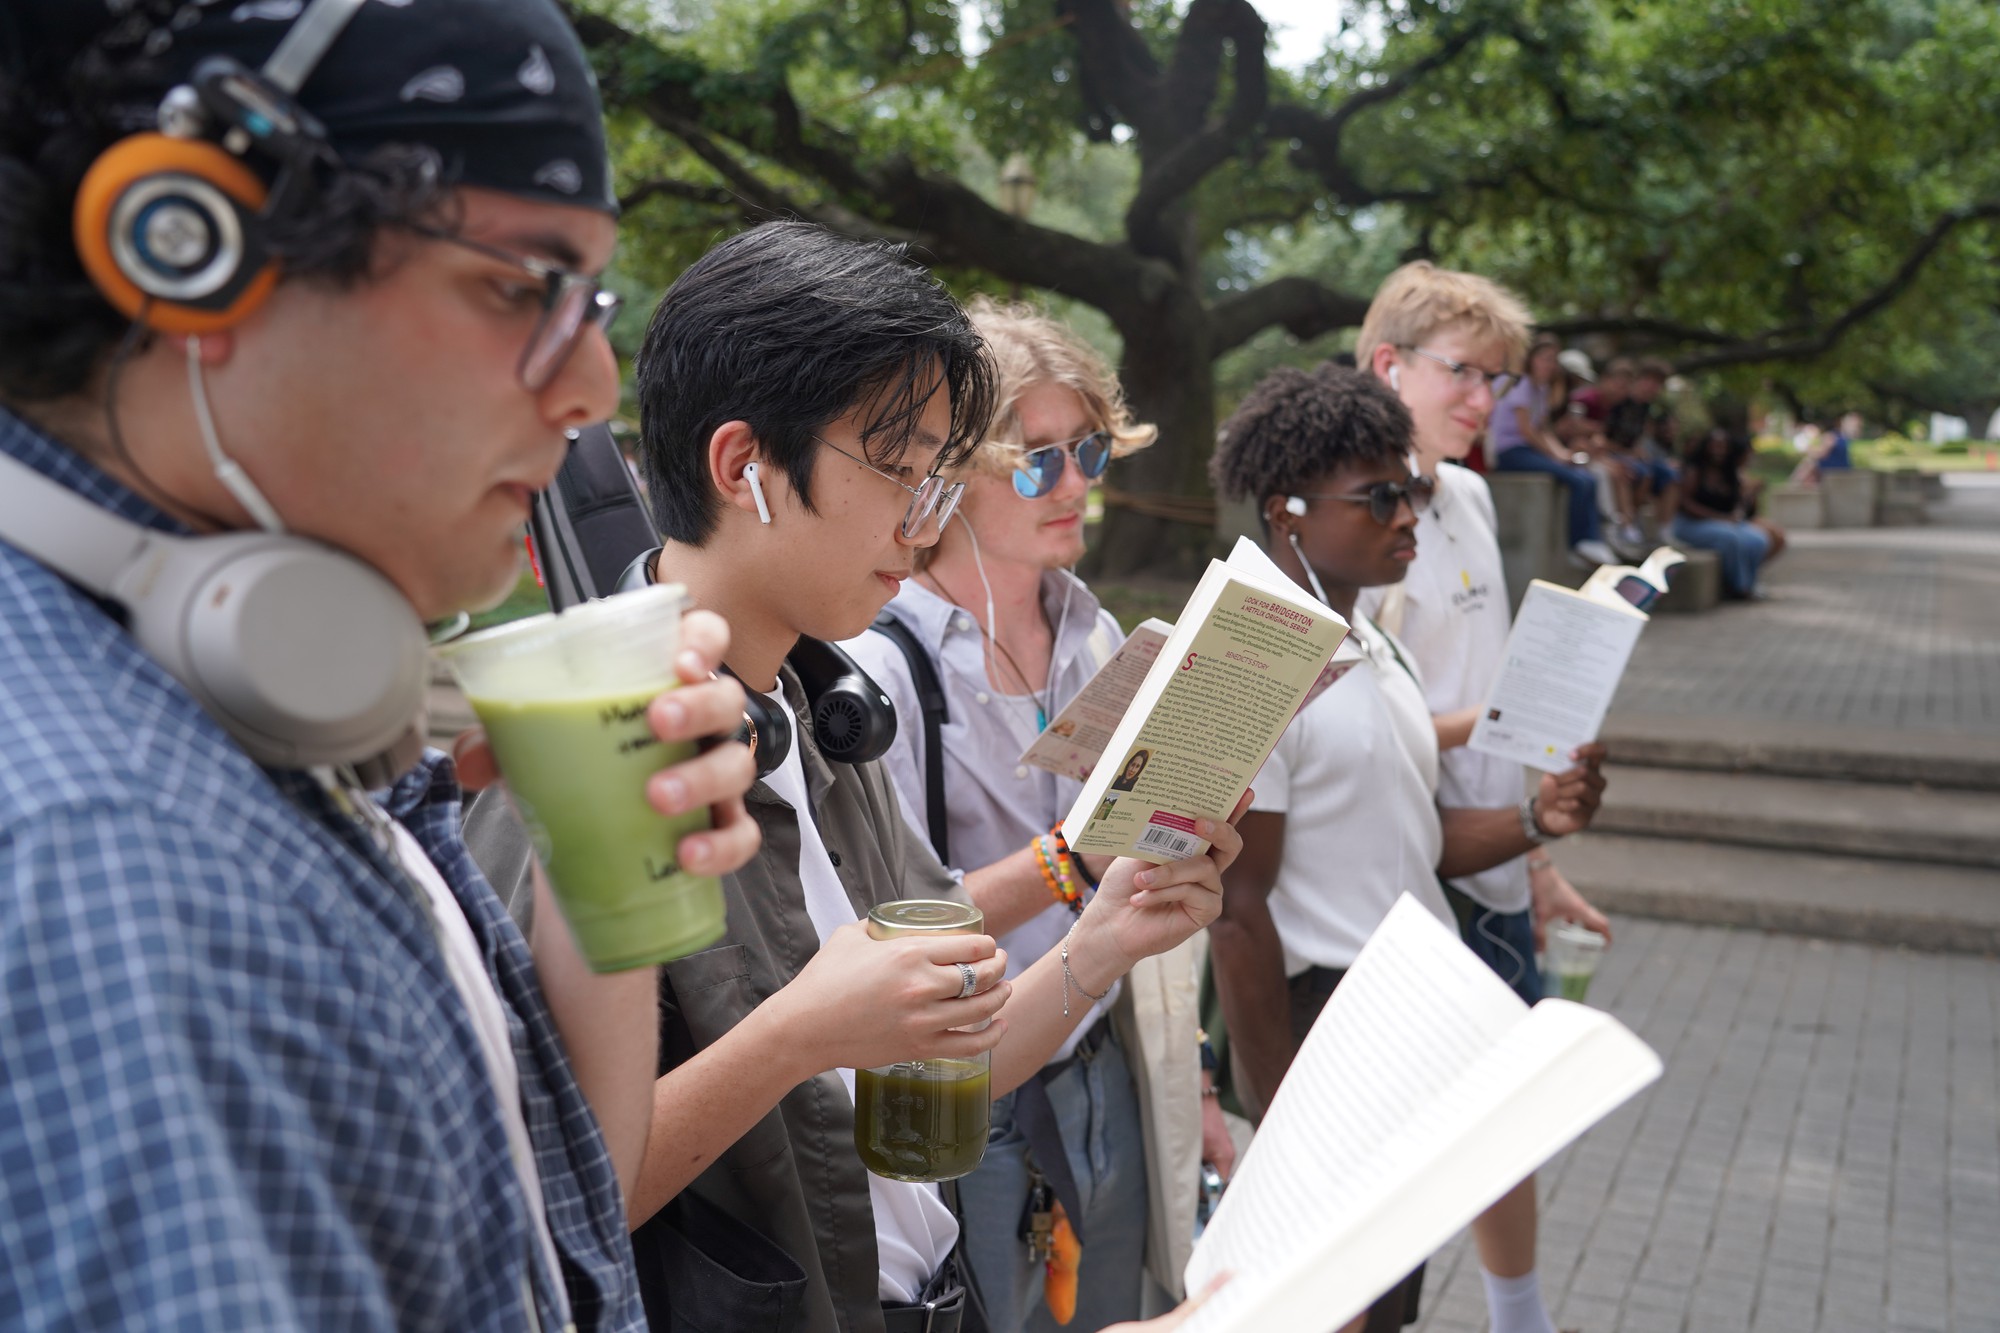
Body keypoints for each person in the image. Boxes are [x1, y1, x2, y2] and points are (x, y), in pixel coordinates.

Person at [0, 2, 765, 1327]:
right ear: (183, 248)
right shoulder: (116, 852)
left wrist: (608, 885)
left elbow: (521, 1240)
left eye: (594, 302)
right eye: (523, 287)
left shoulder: (249, 717)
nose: (592, 384)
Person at [493, 220, 1244, 1333]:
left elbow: (949, 1059)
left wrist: (1098, 945)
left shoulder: (823, 715)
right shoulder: (582, 754)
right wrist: (797, 1033)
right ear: (742, 466)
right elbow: (545, 1219)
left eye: (939, 475)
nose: (920, 519)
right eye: (896, 469)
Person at [1204, 362, 1607, 1333]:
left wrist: (1530, 825)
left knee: (1382, 1309)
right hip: (1324, 1021)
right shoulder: (1252, 657)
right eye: (1378, 495)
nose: (1407, 515)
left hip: (1409, 1003)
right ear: (1285, 511)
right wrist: (1281, 1123)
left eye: (1412, 489)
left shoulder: (1370, 642)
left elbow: (1409, 845)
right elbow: (1236, 910)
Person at [842, 300, 1218, 1333]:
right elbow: (887, 934)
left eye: (1089, 449)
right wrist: (1066, 861)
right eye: (1035, 460)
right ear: (950, 473)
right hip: (972, 1083)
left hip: (1104, 1062)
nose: (1077, 484)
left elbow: (1120, 872)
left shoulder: (1091, 629)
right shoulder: (883, 663)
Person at [1352, 264, 1615, 1333]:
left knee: (1502, 1115)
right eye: (1461, 374)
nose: (1483, 403)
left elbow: (1479, 696)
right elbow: (1366, 726)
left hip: (1496, 857)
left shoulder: (1461, 494)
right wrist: (1502, 742)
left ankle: (1519, 1314)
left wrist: (1536, 858)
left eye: (1496, 381)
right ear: (1386, 365)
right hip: (1407, 871)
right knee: (1401, 1144)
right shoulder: (1346, 515)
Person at [1486, 333, 1616, 565]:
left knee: (1587, 478)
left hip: (1527, 450)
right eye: (1545, 358)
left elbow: (1543, 430)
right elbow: (1527, 431)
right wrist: (1557, 455)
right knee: (1577, 480)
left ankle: (1593, 540)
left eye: (1553, 359)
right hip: (1510, 451)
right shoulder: (1522, 384)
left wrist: (1562, 454)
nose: (1549, 364)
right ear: (1532, 359)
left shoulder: (1541, 389)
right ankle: (1579, 543)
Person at [1675, 428, 1785, 599]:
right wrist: (1719, 518)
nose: (1718, 451)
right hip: (1692, 523)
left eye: (1723, 446)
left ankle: (1751, 581)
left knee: (1758, 539)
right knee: (1730, 538)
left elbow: (1740, 507)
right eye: (1714, 446)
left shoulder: (1730, 473)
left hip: (1726, 522)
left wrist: (1747, 498)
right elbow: (1685, 504)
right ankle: (1740, 588)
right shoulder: (1694, 471)